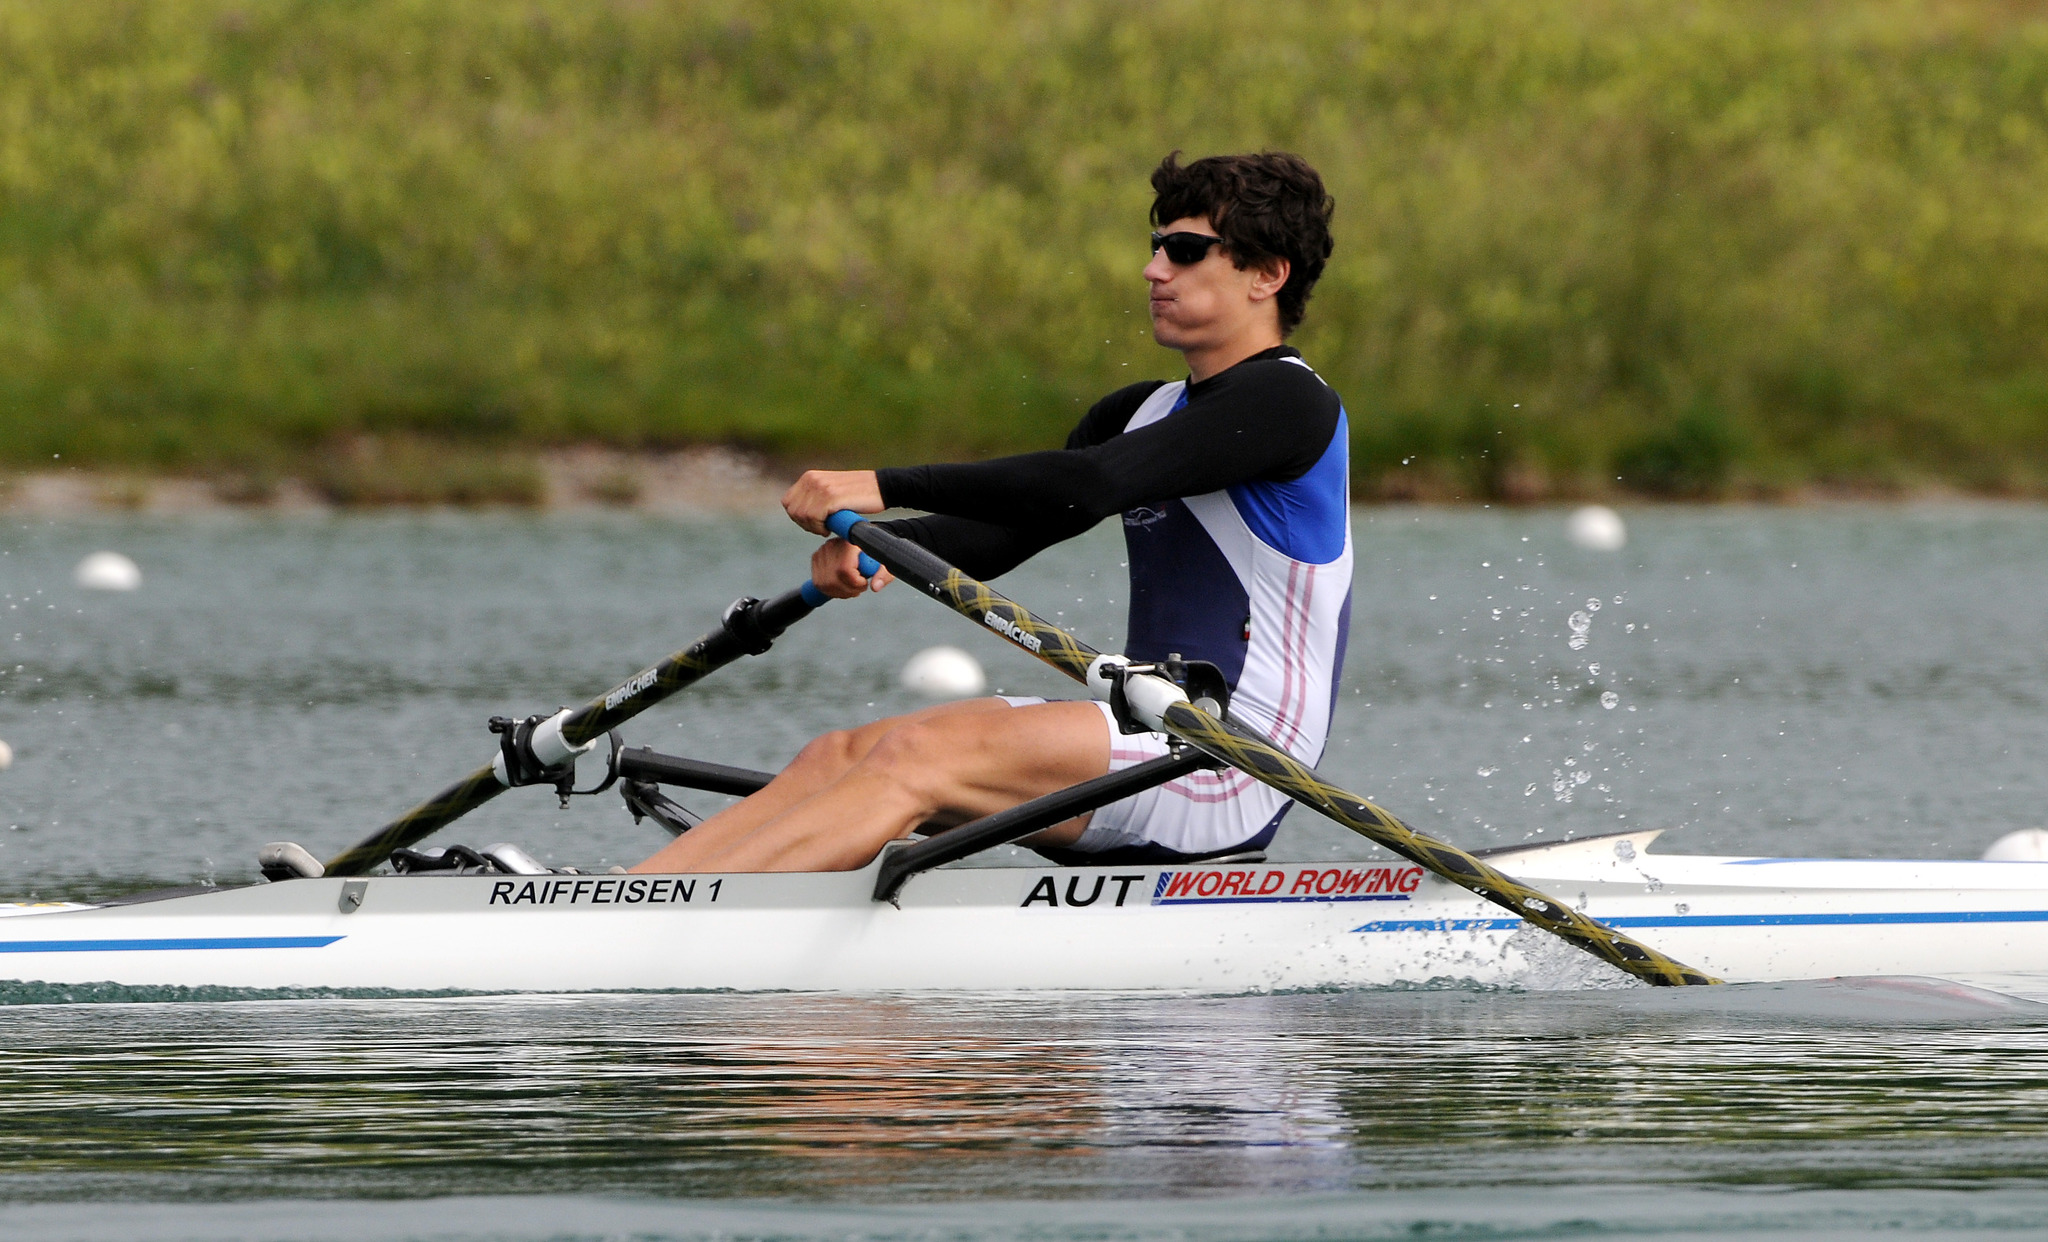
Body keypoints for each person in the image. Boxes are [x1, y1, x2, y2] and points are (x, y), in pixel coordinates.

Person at [633, 151, 1350, 875]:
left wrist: (885, 484)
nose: (1154, 270)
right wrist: (883, 545)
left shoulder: (1288, 403)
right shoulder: (1137, 411)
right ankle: (637, 895)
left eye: (1186, 251)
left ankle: (672, 925)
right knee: (838, 754)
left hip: (1233, 759)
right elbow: (1012, 530)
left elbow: (1086, 485)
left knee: (916, 756)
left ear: (1268, 274)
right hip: (1151, 736)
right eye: (1156, 246)